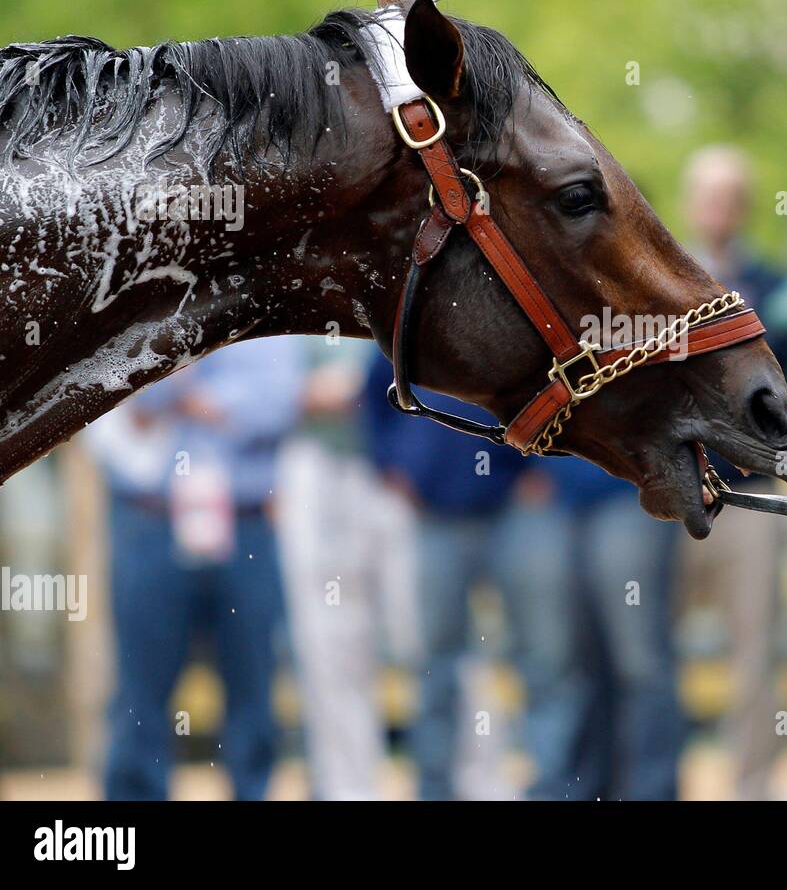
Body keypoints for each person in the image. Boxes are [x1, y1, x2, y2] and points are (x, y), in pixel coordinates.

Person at [86, 336, 306, 800]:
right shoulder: (150, 301)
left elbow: (277, 405)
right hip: (151, 521)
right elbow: (120, 394)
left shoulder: (269, 313)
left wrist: (181, 390)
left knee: (254, 686)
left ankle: (253, 791)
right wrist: (204, 400)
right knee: (139, 692)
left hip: (245, 527)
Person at [362, 351, 585, 800]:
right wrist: (392, 466)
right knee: (434, 664)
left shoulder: (516, 308)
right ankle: (435, 789)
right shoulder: (408, 316)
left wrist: (546, 469)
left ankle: (554, 789)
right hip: (436, 514)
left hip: (519, 508)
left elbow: (569, 395)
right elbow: (370, 399)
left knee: (547, 658)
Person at [676, 144, 787, 799]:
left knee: (756, 655)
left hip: (750, 498)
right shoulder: (653, 281)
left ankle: (751, 786)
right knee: (650, 653)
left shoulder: (774, 290)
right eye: (707, 194)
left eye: (728, 195)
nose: (716, 208)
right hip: (672, 493)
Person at [273, 336, 418, 800]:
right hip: (314, 472)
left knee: (427, 634)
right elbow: (258, 391)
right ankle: (347, 790)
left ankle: (475, 785)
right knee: (331, 650)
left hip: (399, 473)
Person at [533, 454, 686, 800]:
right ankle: (590, 789)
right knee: (578, 665)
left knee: (639, 663)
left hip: (631, 495)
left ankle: (651, 791)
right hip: (557, 502)